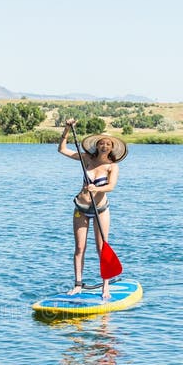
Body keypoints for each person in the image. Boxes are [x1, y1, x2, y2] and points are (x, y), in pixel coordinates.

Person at [58, 119, 128, 301]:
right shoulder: (87, 158)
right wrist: (66, 129)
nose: (104, 146)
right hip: (81, 207)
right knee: (79, 247)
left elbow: (111, 187)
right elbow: (62, 150)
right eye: (101, 143)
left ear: (112, 147)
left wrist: (96, 189)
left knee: (101, 248)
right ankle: (78, 285)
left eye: (108, 144)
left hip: (101, 210)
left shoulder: (113, 166)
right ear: (97, 145)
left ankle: (105, 286)